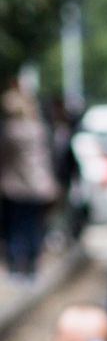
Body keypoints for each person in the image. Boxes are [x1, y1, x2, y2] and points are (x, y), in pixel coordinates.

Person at [0, 77, 59, 283]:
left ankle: (18, 267)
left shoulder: (10, 131)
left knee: (17, 227)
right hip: (38, 186)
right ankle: (32, 268)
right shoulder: (38, 129)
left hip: (15, 187)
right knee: (33, 226)